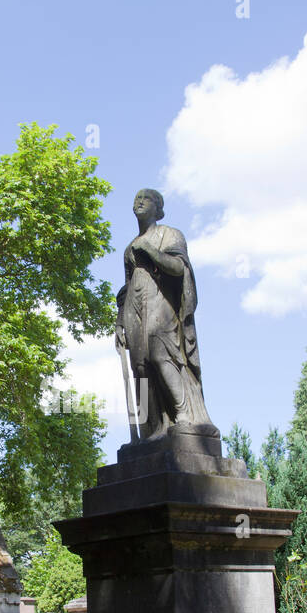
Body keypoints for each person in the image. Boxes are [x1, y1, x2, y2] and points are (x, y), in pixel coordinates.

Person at [115, 188, 215, 441]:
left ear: (158, 208)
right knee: (141, 367)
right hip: (134, 308)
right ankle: (154, 429)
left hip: (160, 303)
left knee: (161, 355)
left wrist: (151, 252)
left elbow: (179, 268)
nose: (138, 202)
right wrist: (119, 322)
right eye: (136, 198)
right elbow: (127, 287)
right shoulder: (129, 249)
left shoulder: (169, 234)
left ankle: (184, 415)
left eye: (145, 199)